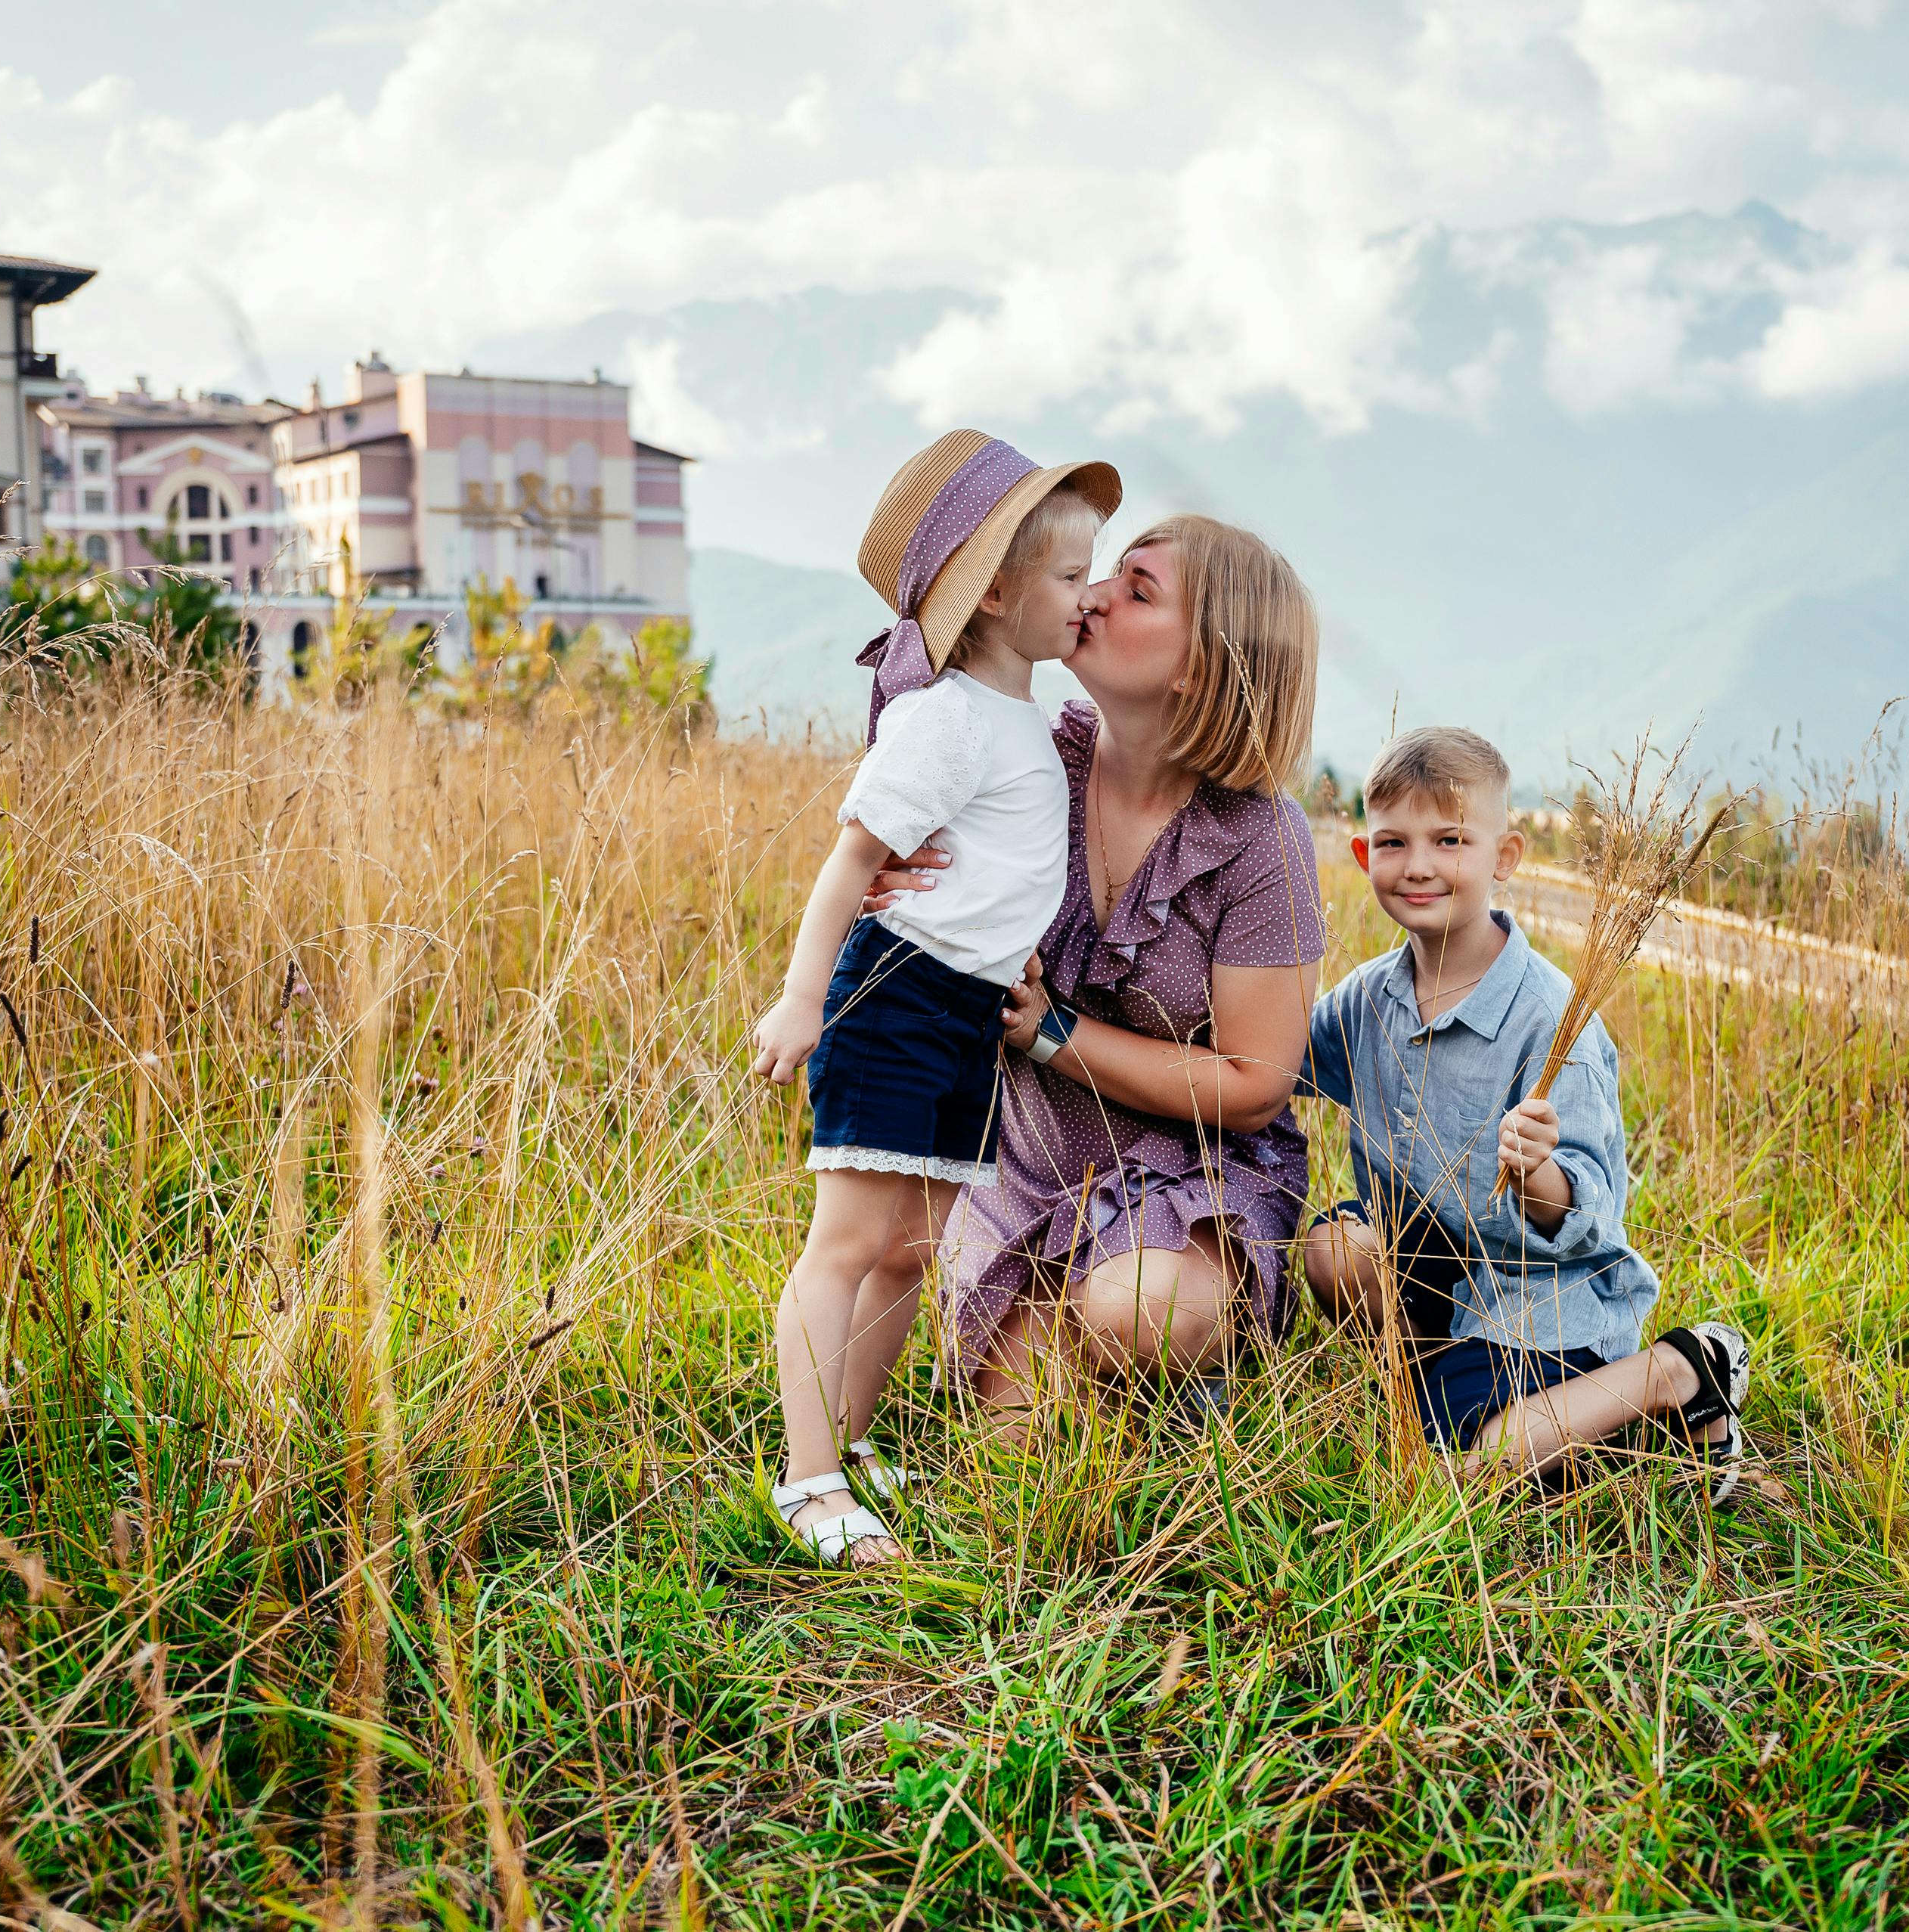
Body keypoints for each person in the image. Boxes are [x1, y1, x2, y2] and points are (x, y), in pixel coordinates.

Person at [748, 430, 1119, 1566]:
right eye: (1070, 576)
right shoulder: (948, 714)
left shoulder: (1020, 717)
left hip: (964, 1013)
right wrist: (805, 997)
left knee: (914, 1244)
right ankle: (807, 1478)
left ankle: (851, 1444)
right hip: (899, 998)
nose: (1090, 595)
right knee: (850, 1240)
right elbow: (853, 859)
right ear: (997, 592)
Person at [868, 516, 1327, 1422]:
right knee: (1014, 1451)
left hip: (1196, 1175)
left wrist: (1055, 1033)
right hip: (1030, 1165)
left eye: (1139, 588)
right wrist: (895, 878)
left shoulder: (1261, 839)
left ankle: (1196, 1358)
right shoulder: (1027, 761)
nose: (1096, 593)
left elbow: (1256, 1086)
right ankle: (1154, 1399)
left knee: (1133, 1310)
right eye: (1108, 573)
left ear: (1203, 663)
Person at [1295, 726, 1754, 1498]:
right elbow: (1274, 1063)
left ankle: (1678, 1370)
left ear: (1503, 857)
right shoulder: (1368, 997)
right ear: (1364, 855)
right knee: (1337, 1246)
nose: (1420, 865)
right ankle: (1434, 1390)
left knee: (1472, 1467)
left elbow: (1589, 1212)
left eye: (1451, 839)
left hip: (1539, 1287)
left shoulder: (1551, 1018)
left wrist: (1536, 1168)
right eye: (1394, 841)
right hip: (1435, 1263)